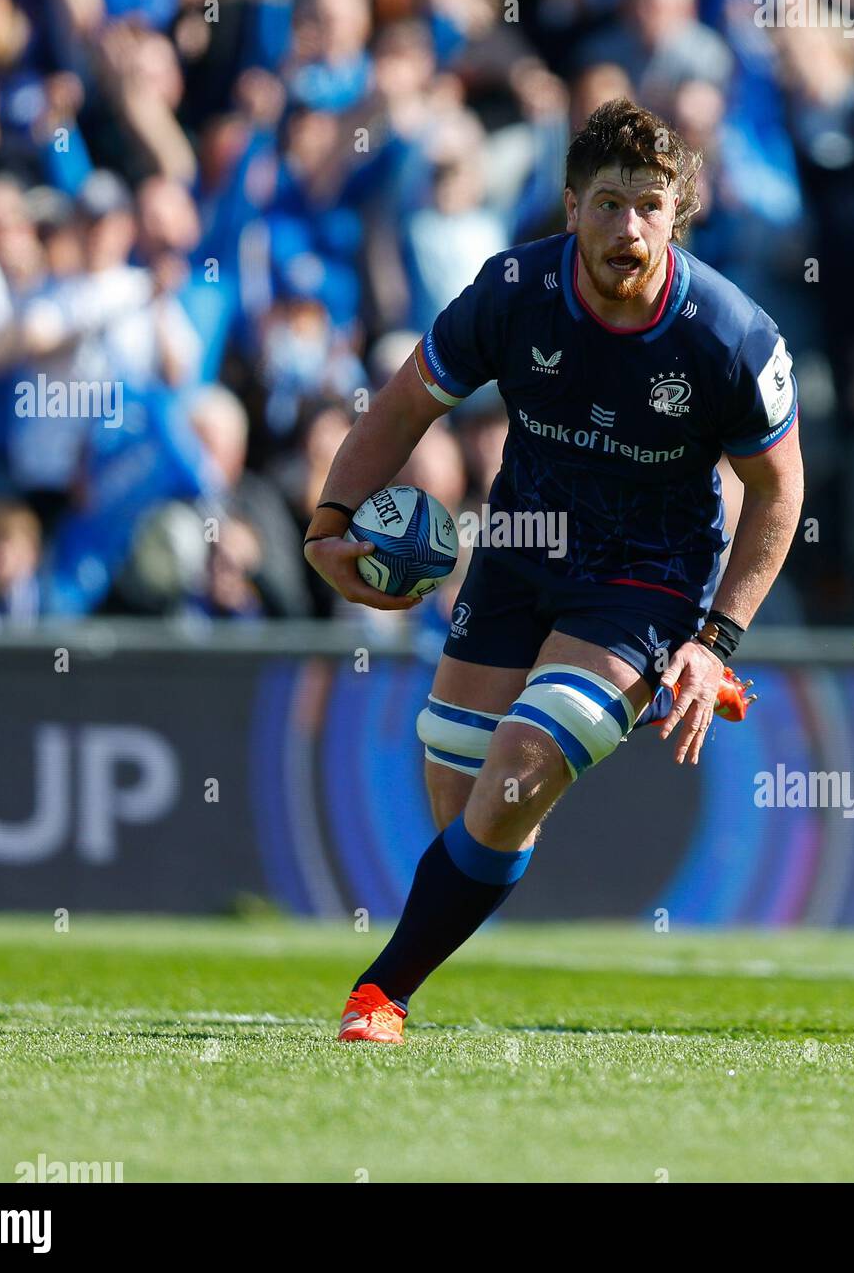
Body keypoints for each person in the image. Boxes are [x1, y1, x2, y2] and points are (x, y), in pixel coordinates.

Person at [303, 98, 803, 1044]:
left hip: (646, 579)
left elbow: (777, 492)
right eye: (609, 203)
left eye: (650, 206)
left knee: (520, 768)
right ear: (571, 206)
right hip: (518, 556)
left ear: (677, 217)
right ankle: (478, 861)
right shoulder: (511, 290)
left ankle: (380, 994)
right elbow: (405, 405)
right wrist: (326, 525)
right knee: (471, 800)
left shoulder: (729, 336)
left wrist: (714, 642)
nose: (628, 227)